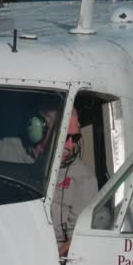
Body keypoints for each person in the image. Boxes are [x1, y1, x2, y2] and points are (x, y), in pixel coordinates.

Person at [50, 109, 99, 256]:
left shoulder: (84, 178)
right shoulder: (19, 155)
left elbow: (77, 240)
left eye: (75, 138)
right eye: (65, 137)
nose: (71, 146)